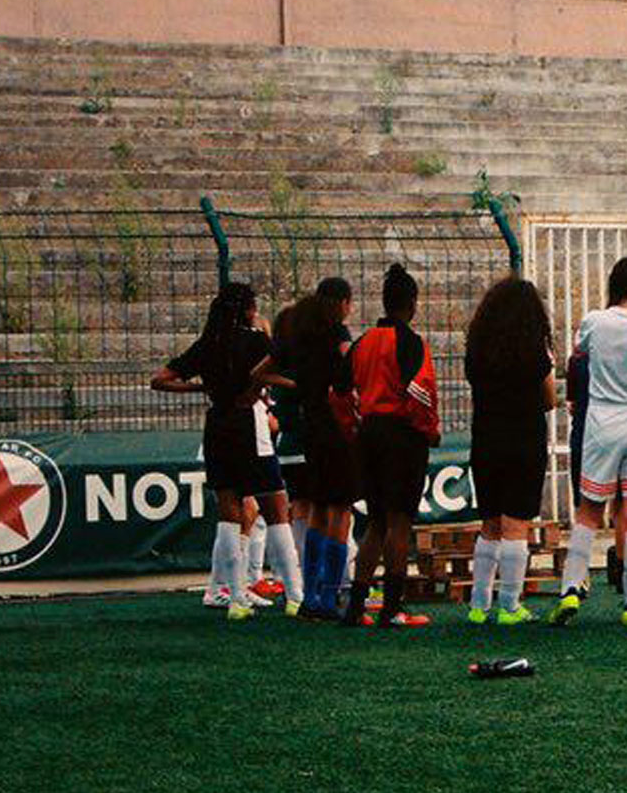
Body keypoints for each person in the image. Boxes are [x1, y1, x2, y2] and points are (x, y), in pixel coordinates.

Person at [152, 282, 304, 621]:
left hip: (217, 424)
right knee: (276, 506)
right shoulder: (254, 341)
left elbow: (159, 379)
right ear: (249, 310)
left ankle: (236, 598)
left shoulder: (207, 344)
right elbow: (277, 370)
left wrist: (200, 387)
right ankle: (296, 595)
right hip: (250, 421)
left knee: (229, 509)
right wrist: (266, 387)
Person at [549, 257, 627, 627]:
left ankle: (571, 588)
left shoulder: (593, 321)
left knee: (588, 512)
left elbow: (578, 356)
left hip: (601, 423)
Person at [341, 264, 440, 628]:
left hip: (369, 433)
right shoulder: (412, 342)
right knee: (400, 521)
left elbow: (339, 390)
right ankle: (393, 607)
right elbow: (420, 391)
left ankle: (355, 605)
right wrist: (429, 430)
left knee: (376, 521)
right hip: (402, 436)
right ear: (411, 304)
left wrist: (354, 423)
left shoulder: (363, 341)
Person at [254, 277, 358, 619]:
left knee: (315, 511)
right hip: (339, 431)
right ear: (343, 303)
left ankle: (309, 595)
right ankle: (330, 596)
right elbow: (351, 369)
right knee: (340, 512)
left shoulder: (296, 338)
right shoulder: (338, 335)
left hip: (310, 431)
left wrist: (297, 384)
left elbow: (259, 373)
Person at [462, 277, 557, 626]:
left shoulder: (477, 349)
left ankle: (478, 604)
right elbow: (548, 398)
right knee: (517, 524)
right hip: (524, 437)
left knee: (489, 523)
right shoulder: (535, 349)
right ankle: (510, 604)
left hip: (486, 437)